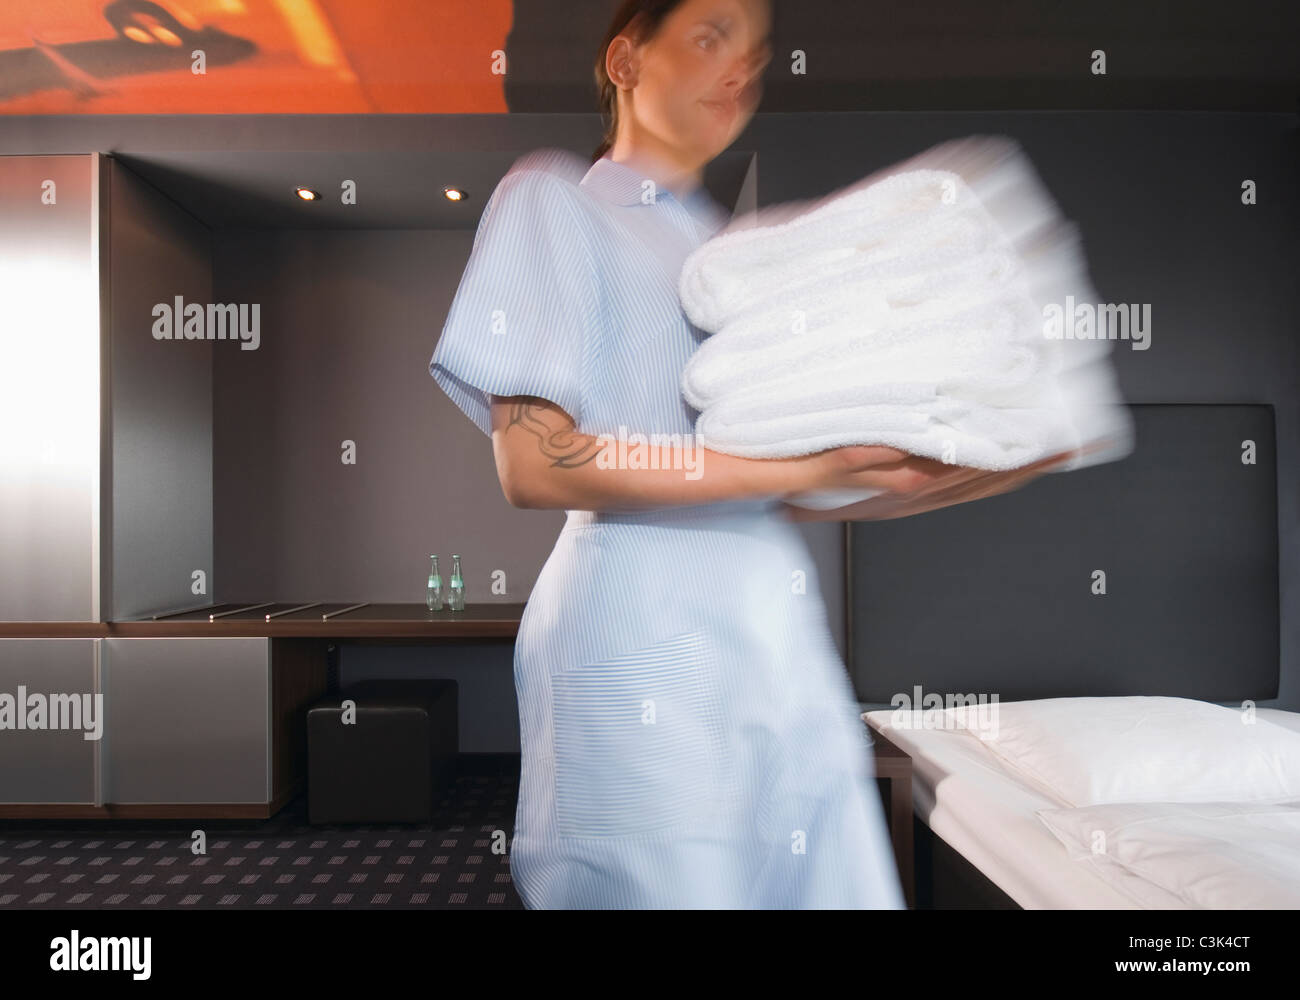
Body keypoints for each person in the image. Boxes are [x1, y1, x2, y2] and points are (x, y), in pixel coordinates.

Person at [429, 0, 1070, 908]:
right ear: (624, 61)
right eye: (708, 36)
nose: (741, 68)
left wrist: (956, 468)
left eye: (758, 55)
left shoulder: (741, 259)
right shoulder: (555, 200)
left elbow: (792, 487)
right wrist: (810, 470)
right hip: (635, 621)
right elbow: (535, 464)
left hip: (770, 622)